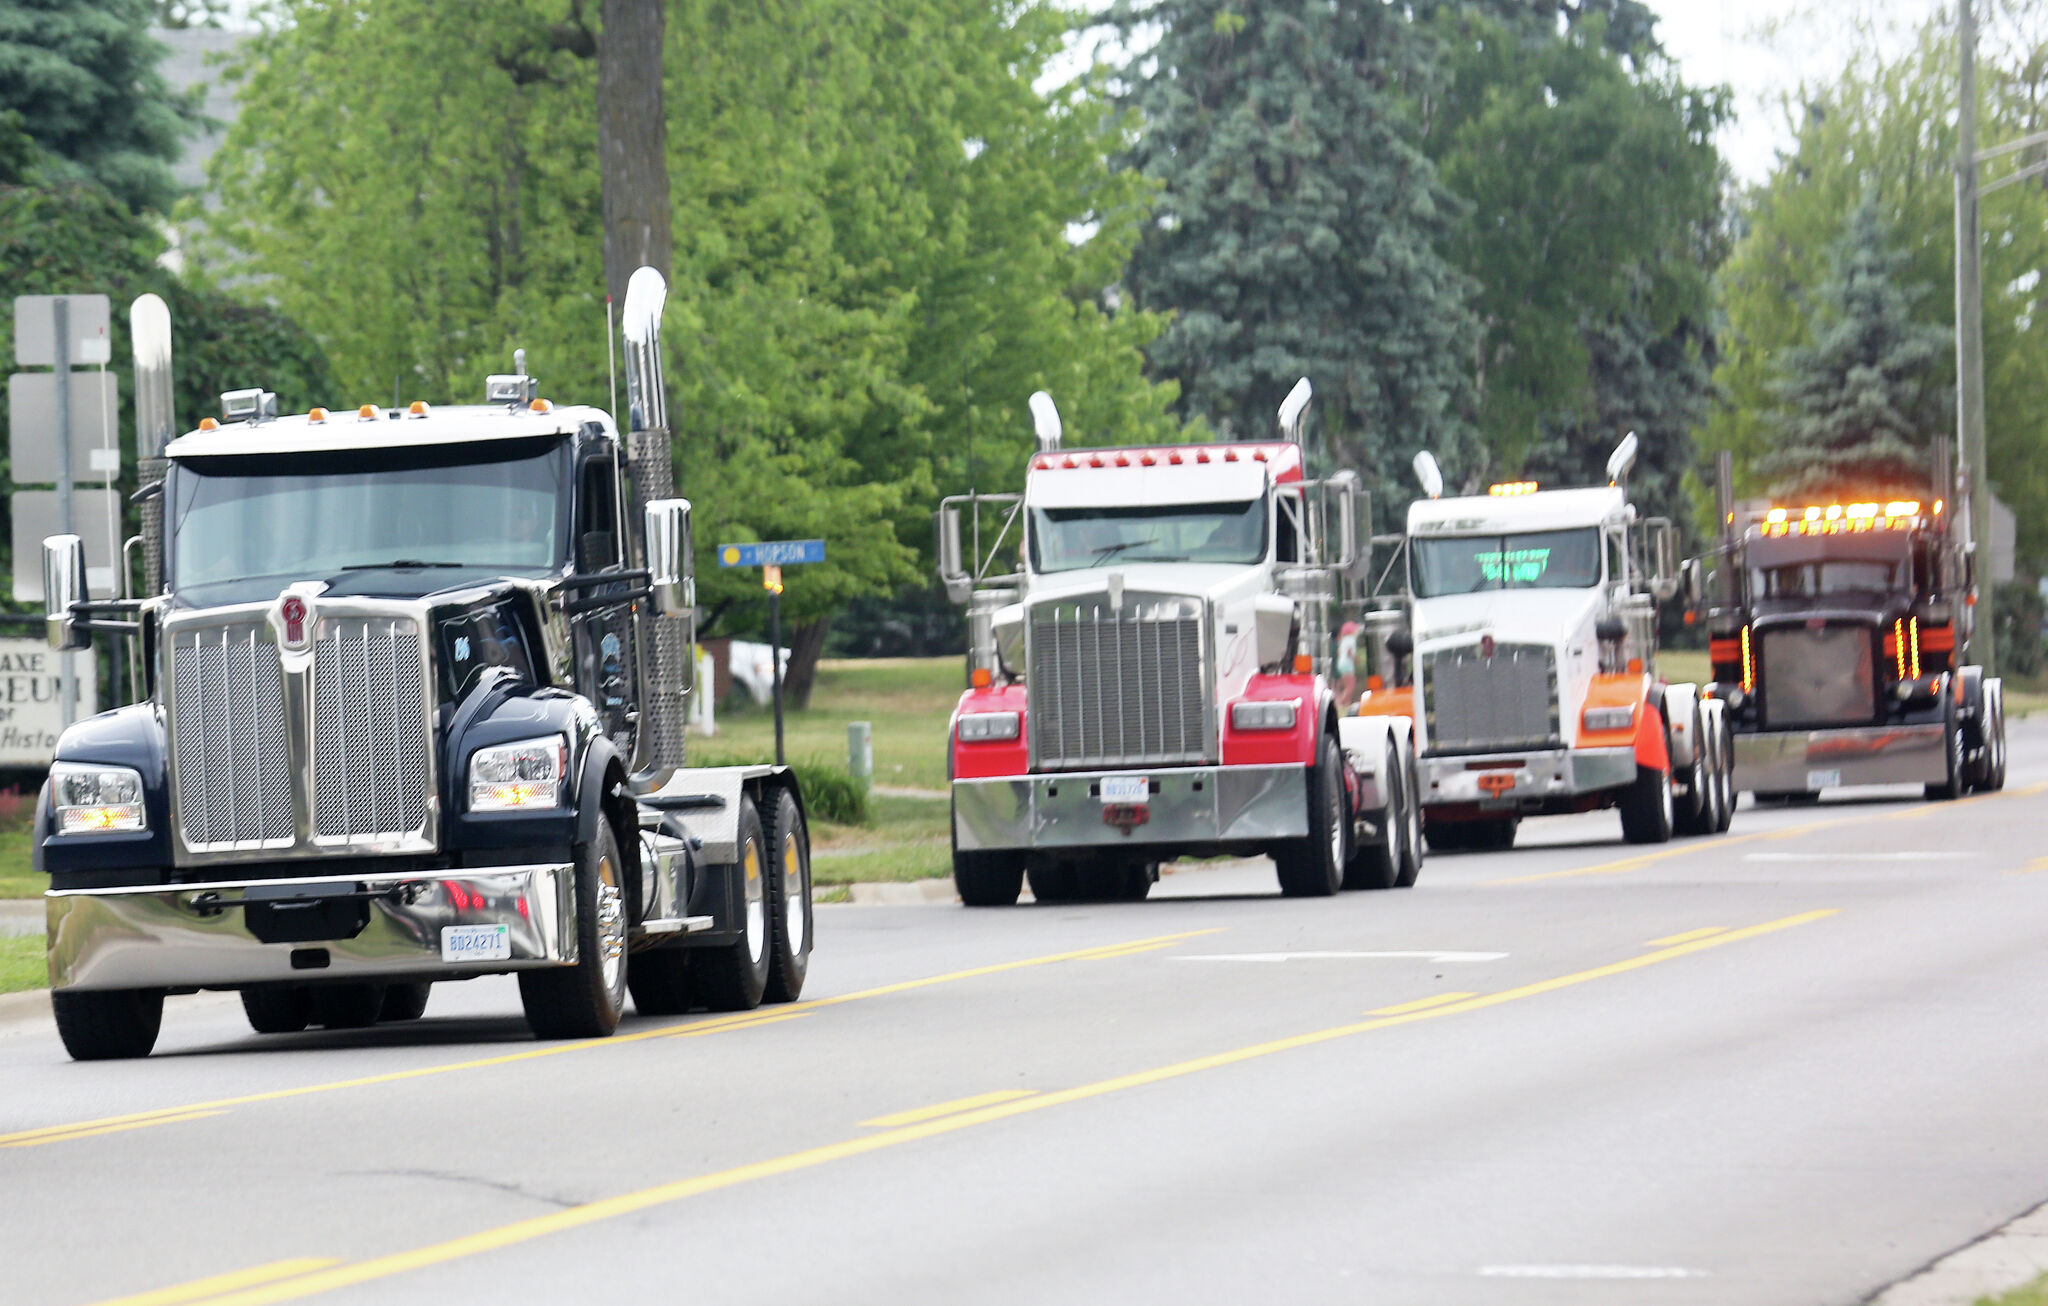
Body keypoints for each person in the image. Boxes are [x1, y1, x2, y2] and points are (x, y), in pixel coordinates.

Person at [1335, 621, 1361, 708]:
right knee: (1351, 686)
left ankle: (1347, 704)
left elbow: (1338, 652)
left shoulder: (1343, 640)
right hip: (1347, 664)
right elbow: (1349, 652)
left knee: (1347, 685)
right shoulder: (1351, 640)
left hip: (1341, 664)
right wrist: (1356, 659)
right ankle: (1341, 702)